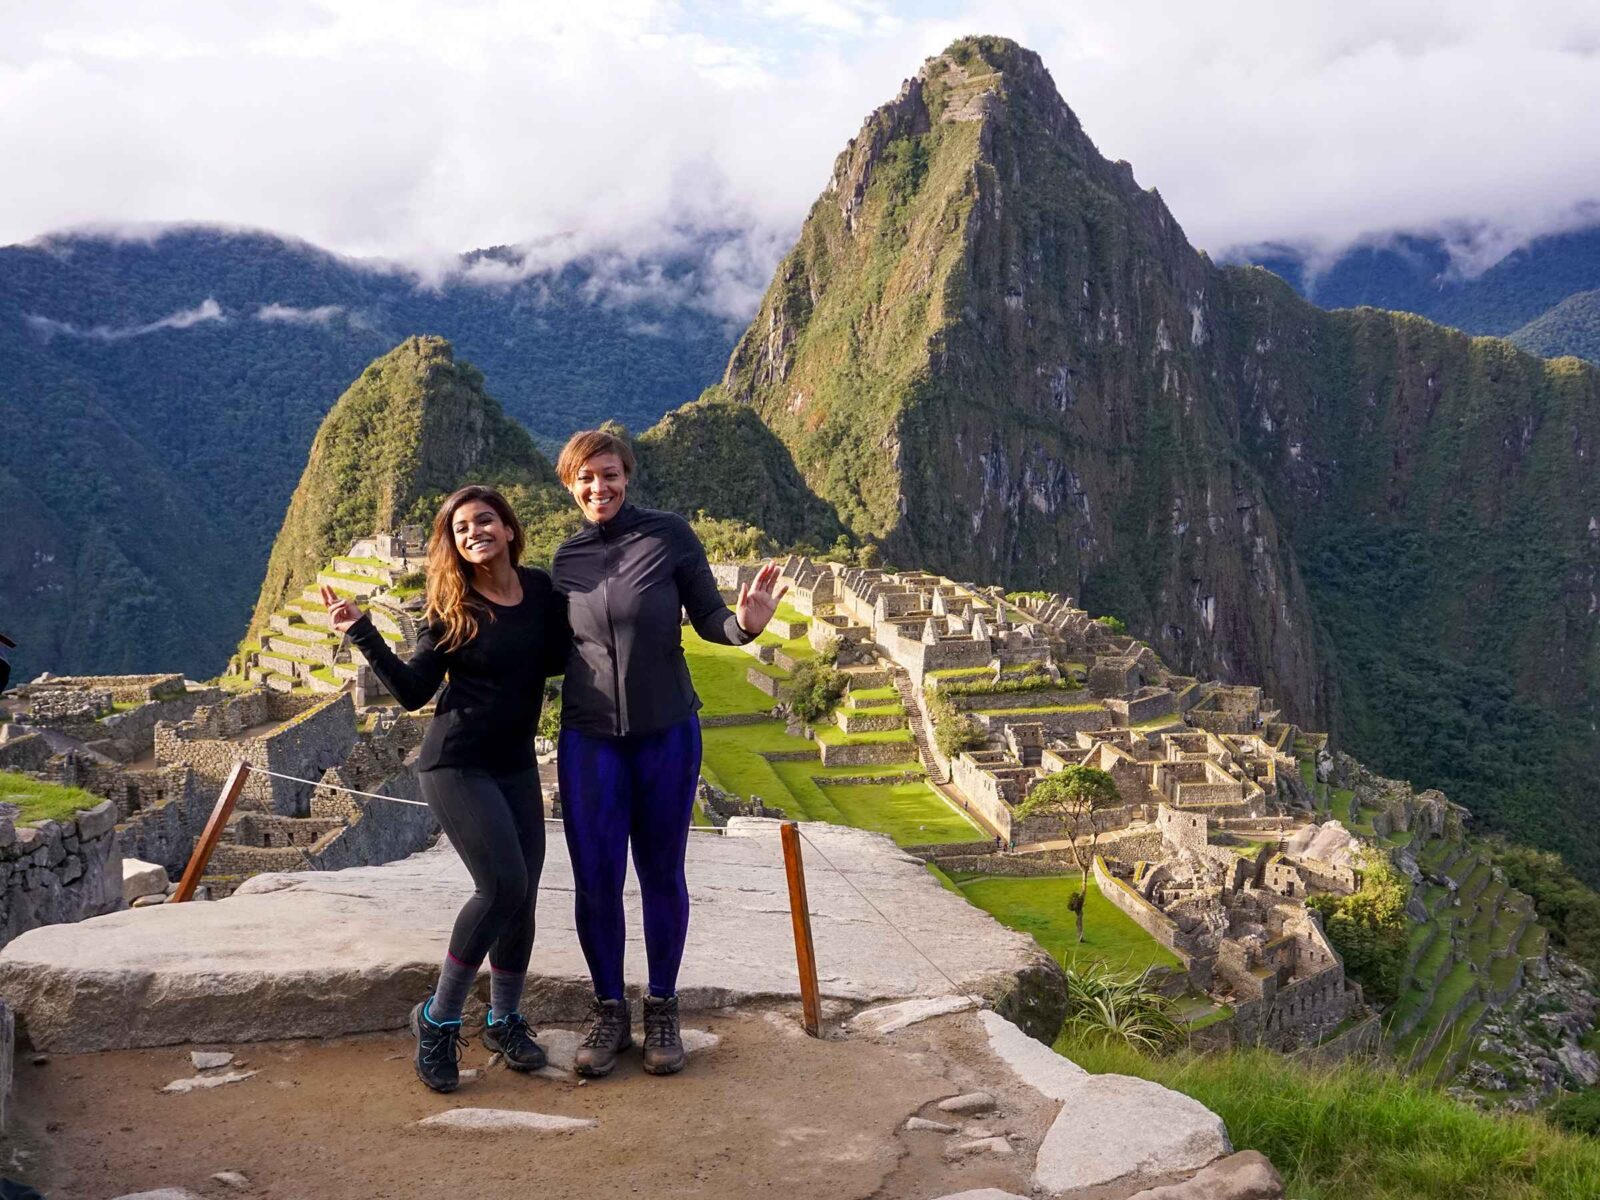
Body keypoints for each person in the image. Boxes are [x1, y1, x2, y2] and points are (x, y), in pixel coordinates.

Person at [551, 429, 786, 1077]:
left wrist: (747, 626)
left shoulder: (669, 536)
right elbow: (546, 649)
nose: (599, 487)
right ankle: (607, 1012)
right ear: (570, 486)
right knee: (596, 882)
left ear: (628, 475)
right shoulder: (565, 559)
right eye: (585, 479)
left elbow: (713, 619)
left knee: (661, 873)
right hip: (589, 738)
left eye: (609, 474)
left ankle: (661, 1008)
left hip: (667, 735)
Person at [322, 485, 568, 1094]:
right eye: (461, 528)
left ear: (509, 529)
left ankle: (505, 1020)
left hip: (512, 763)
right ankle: (437, 1020)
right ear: (454, 545)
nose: (474, 532)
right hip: (456, 763)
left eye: (485, 520)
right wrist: (363, 631)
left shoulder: (539, 591)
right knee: (501, 885)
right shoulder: (451, 607)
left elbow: (566, 655)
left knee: (524, 895)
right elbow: (412, 692)